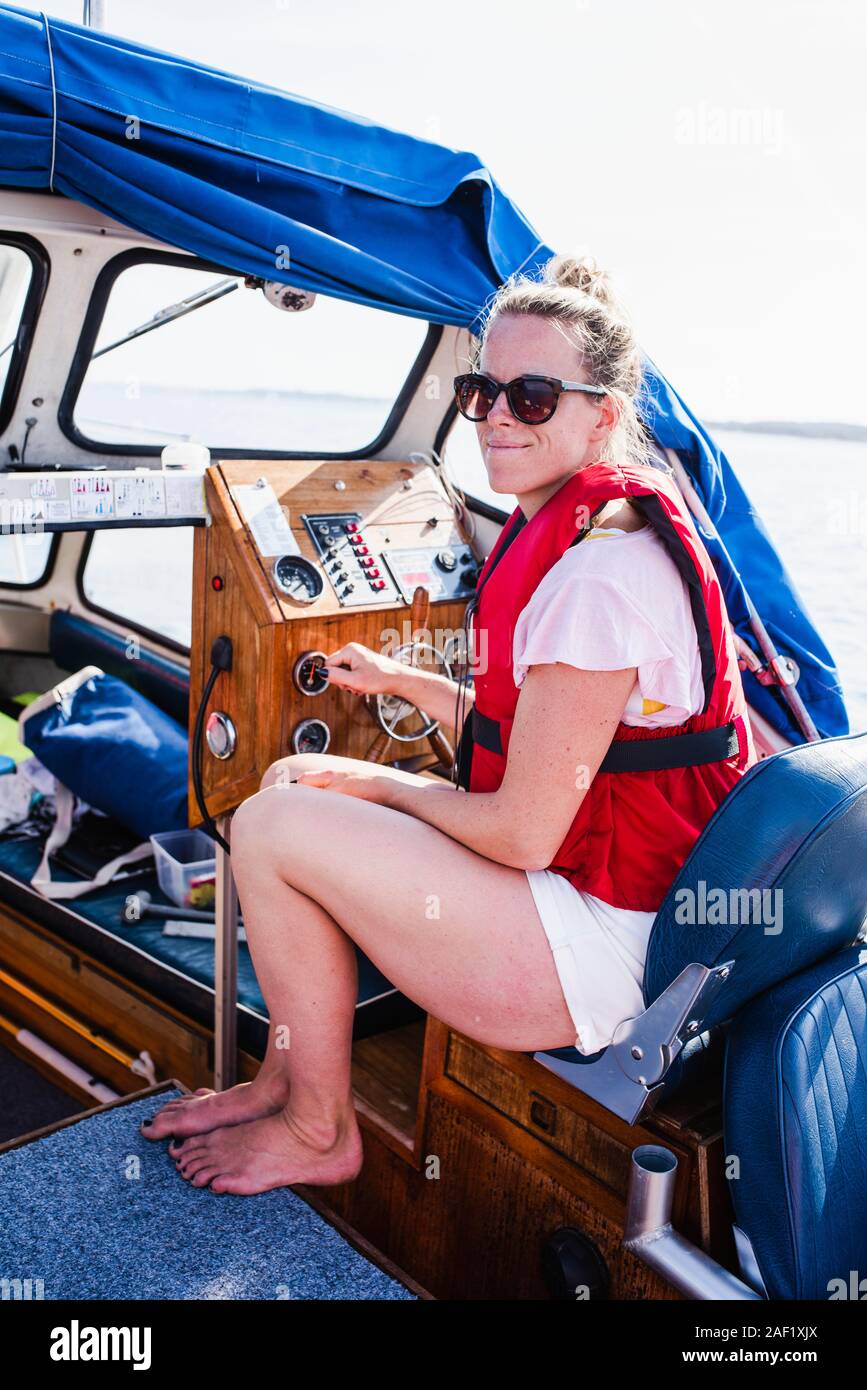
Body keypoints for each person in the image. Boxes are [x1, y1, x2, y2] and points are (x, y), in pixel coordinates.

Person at [141, 253, 754, 1195]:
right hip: (616, 904)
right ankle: (283, 1076)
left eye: (535, 396)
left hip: (600, 952)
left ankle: (319, 1130)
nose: (499, 418)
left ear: (605, 413)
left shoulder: (599, 574)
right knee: (281, 787)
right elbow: (562, 744)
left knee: (269, 820)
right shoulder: (596, 528)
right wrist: (408, 683)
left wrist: (386, 783)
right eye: (483, 390)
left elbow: (519, 830)